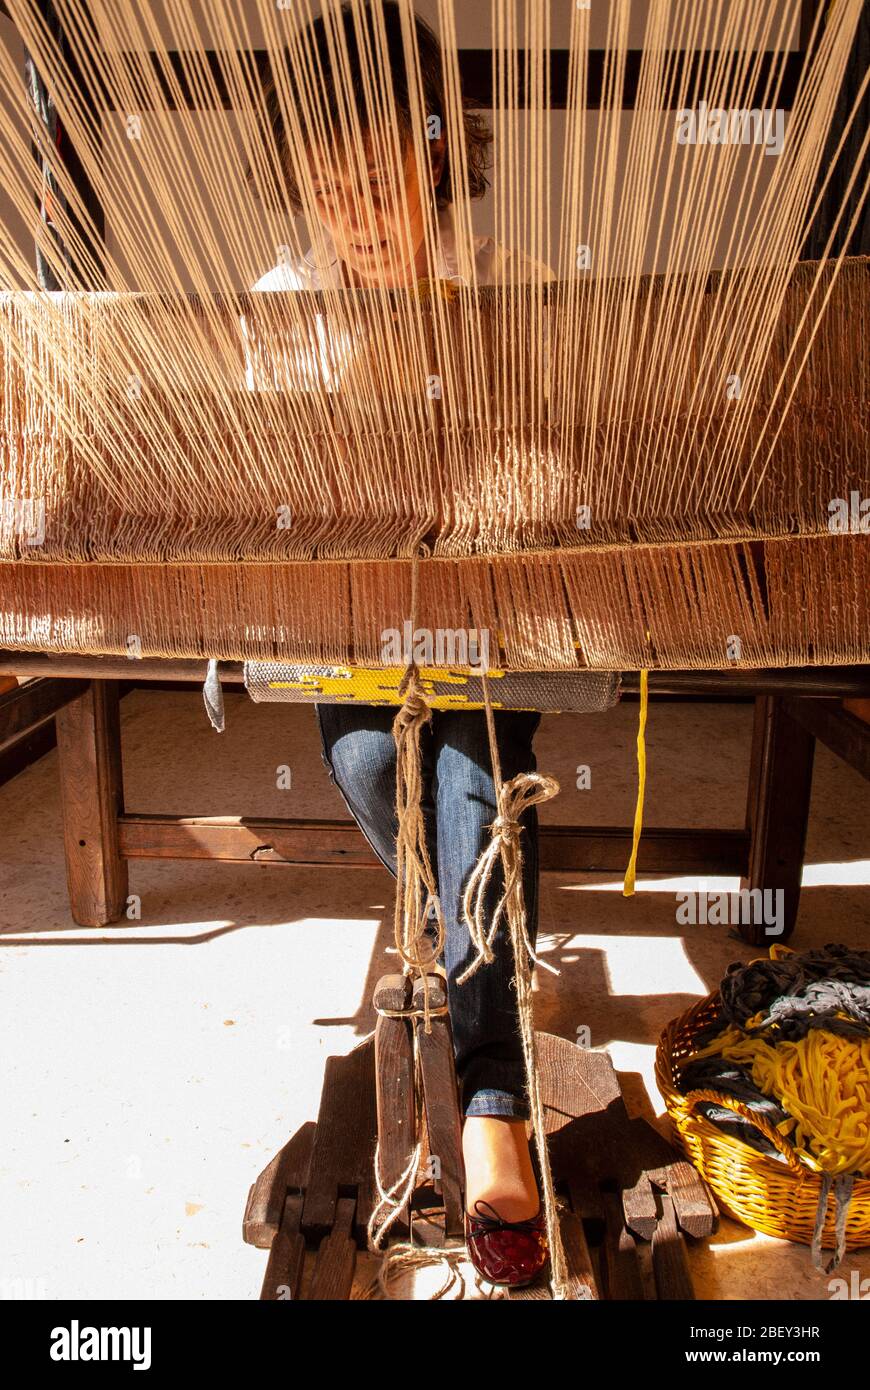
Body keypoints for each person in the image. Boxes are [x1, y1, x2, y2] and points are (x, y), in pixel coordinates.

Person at [246, 1, 554, 1286]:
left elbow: (561, 463)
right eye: (332, 187)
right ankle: (482, 940)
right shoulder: (277, 312)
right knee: (385, 776)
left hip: (494, 642)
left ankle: (492, 1097)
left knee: (472, 787)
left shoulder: (518, 289)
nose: (361, 212)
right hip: (361, 647)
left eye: (384, 176)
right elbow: (261, 493)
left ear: (438, 152)